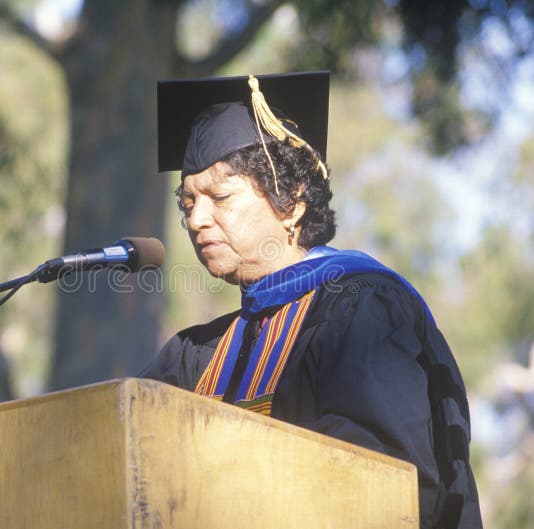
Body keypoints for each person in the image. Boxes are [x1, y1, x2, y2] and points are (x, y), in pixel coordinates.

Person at [140, 72, 483, 529]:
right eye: (187, 204)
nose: (198, 219)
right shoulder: (191, 356)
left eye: (220, 196)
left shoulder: (363, 309)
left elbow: (379, 482)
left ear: (293, 202)